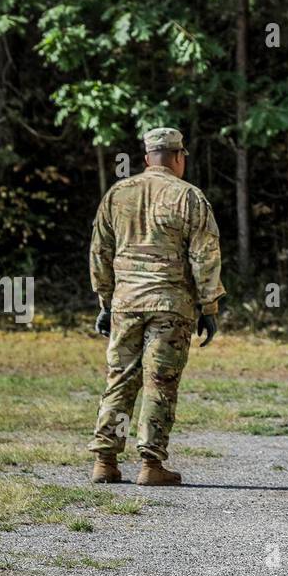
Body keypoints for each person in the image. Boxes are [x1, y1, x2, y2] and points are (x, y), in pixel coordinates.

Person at [88, 127, 223, 486]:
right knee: (159, 382)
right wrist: (209, 306)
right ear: (179, 157)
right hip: (170, 305)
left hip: (126, 302)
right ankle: (151, 465)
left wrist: (105, 300)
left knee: (120, 378)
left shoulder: (118, 194)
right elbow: (204, 256)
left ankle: (105, 460)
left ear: (147, 158)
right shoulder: (190, 197)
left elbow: (99, 252)